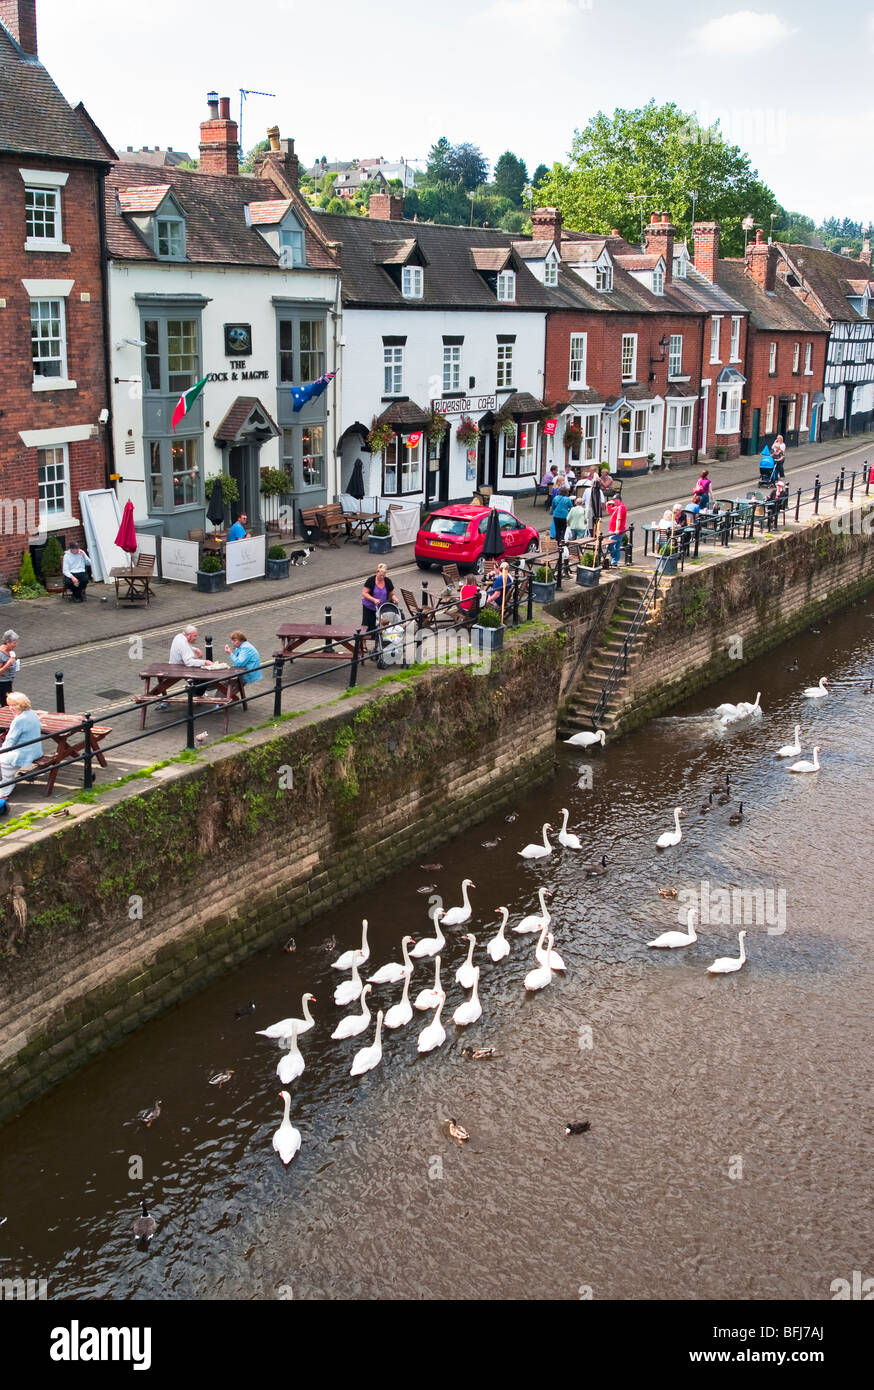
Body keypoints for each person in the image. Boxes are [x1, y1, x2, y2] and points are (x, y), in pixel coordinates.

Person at [0, 692, 44, 814]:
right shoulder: (32, 714)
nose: (11, 708)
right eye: (9, 705)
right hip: (35, 749)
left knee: (3, 761)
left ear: (21, 705)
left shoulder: (19, 720)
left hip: (24, 752)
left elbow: (10, 740)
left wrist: (2, 750)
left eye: (14, 705)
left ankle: (4, 791)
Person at [362, 563, 396, 633]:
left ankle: (378, 642)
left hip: (381, 609)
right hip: (369, 608)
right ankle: (363, 644)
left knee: (379, 628)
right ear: (377, 572)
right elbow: (364, 593)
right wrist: (373, 599)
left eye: (384, 575)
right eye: (380, 575)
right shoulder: (370, 580)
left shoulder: (387, 581)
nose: (382, 577)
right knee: (366, 627)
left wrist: (394, 598)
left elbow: (392, 594)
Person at [0, 630, 20, 707]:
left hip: (8, 682)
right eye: (14, 643)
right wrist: (8, 664)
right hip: (2, 684)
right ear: (7, 642)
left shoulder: (10, 651)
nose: (16, 644)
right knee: (7, 706)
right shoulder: (1, 655)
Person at [606, 494, 627, 567]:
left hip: (618, 531)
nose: (613, 501)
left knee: (609, 545)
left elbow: (619, 519)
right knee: (617, 546)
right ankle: (614, 561)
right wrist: (607, 505)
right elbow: (610, 511)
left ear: (618, 500)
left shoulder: (621, 508)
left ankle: (614, 559)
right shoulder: (618, 507)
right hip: (616, 530)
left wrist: (617, 529)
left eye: (614, 500)